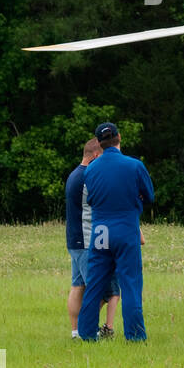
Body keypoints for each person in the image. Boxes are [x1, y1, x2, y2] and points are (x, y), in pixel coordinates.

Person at [78, 122, 154, 342]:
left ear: (99, 144)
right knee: (130, 282)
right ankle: (135, 335)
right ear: (119, 137)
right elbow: (149, 196)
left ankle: (86, 334)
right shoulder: (134, 166)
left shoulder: (91, 169)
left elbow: (92, 198)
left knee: (95, 283)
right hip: (126, 228)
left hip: (100, 230)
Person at [65, 138, 118, 339]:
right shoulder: (88, 177)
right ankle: (89, 330)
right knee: (100, 289)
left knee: (78, 286)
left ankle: (76, 331)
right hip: (87, 240)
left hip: (74, 239)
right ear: (96, 155)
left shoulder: (74, 175)